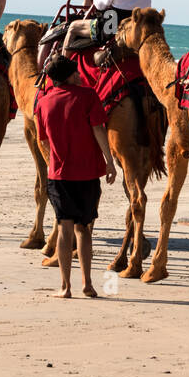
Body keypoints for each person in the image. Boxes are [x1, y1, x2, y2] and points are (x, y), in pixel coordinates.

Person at [34, 55, 117, 298]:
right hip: (88, 173)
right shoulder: (88, 95)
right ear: (70, 75)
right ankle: (87, 284)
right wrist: (109, 161)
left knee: (64, 228)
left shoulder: (43, 102)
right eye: (76, 73)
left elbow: (43, 140)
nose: (80, 75)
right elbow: (98, 129)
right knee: (84, 229)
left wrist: (56, 160)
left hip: (59, 175)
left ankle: (64, 287)